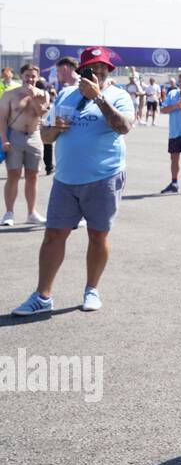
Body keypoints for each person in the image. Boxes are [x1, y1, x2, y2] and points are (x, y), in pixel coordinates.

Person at [11, 47, 135, 315]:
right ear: (82, 70)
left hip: (104, 177)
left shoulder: (119, 95)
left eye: (102, 67)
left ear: (109, 70)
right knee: (53, 235)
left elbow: (123, 126)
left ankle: (92, 289)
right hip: (66, 179)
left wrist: (99, 98)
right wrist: (54, 129)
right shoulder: (66, 94)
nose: (97, 71)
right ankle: (42, 296)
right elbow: (45, 137)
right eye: (91, 67)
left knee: (98, 235)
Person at [1, 63, 52, 225]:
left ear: (37, 78)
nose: (30, 79)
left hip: (34, 136)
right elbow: (2, 119)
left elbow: (42, 114)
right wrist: (4, 140)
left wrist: (35, 99)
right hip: (14, 136)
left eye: (33, 76)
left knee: (33, 176)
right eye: (27, 75)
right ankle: (9, 213)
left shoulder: (43, 94)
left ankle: (32, 213)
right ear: (21, 76)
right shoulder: (9, 95)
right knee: (13, 175)